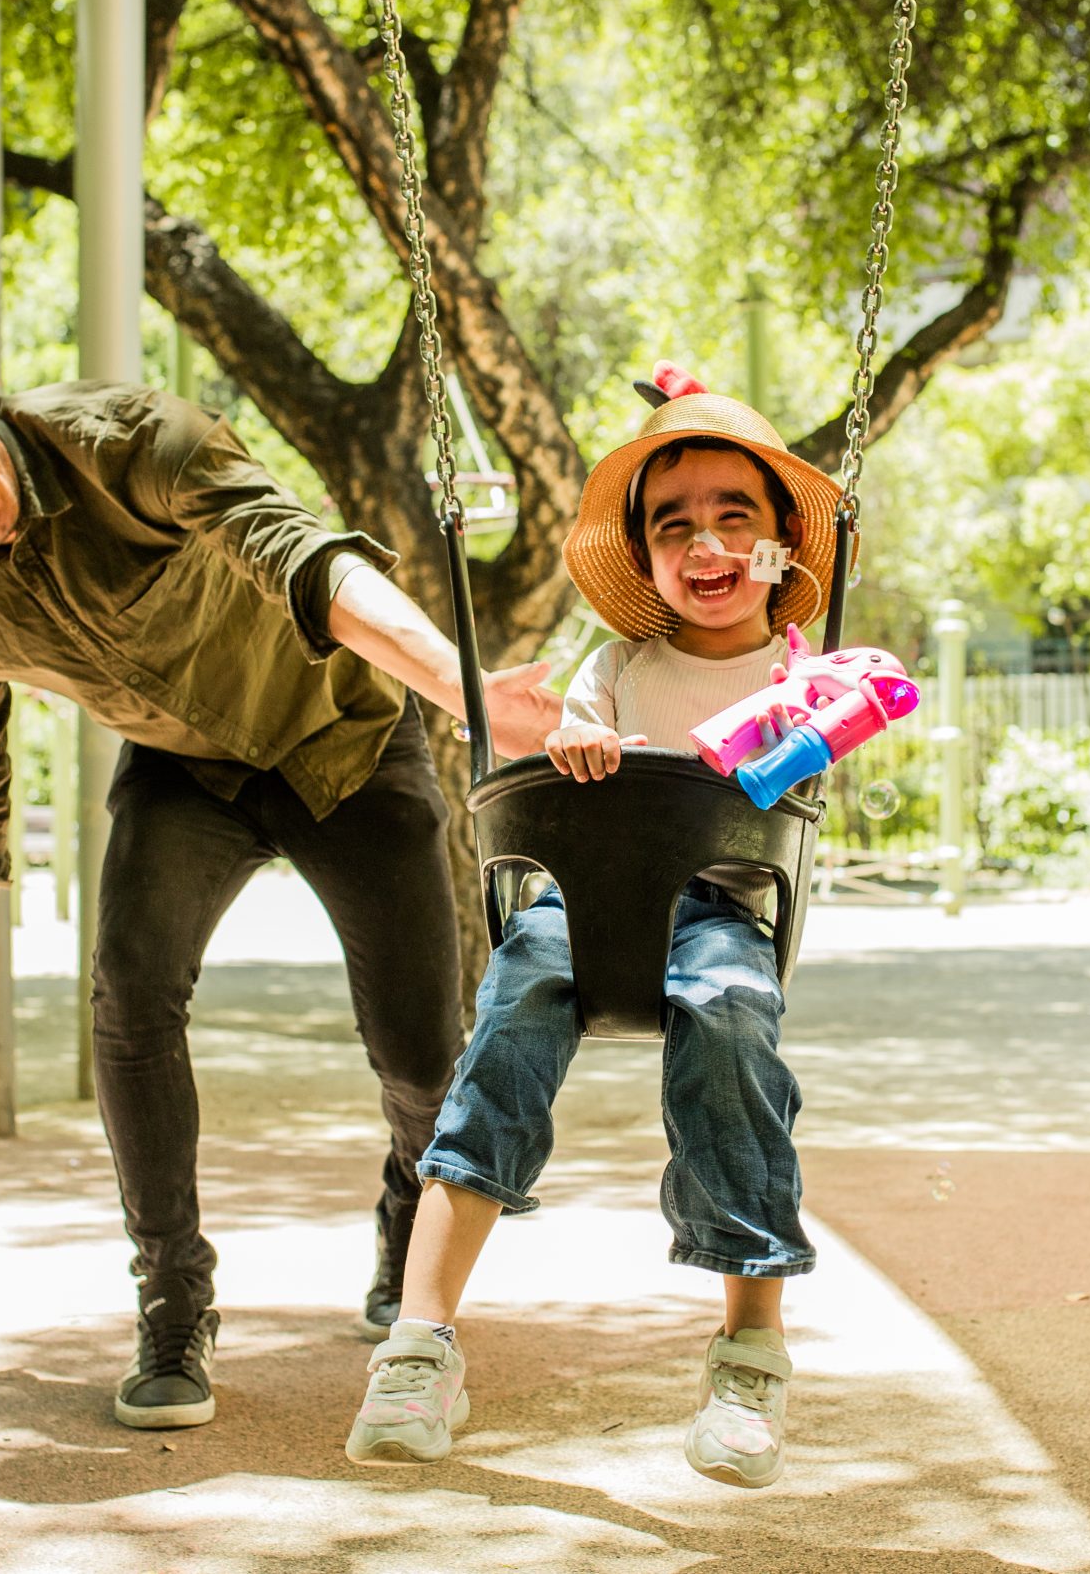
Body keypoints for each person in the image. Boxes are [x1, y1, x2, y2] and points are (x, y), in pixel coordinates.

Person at [0, 334, 561, 1431]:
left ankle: (409, 1215)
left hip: (345, 738)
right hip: (186, 775)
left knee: (420, 1056)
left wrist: (468, 690)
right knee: (128, 999)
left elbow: (300, 555)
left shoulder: (125, 438)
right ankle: (173, 1300)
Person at [342, 364, 833, 1488]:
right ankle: (418, 1348)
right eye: (673, 525)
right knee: (506, 1027)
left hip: (718, 913)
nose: (705, 544)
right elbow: (568, 742)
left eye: (734, 517)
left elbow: (817, 745)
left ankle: (749, 1360)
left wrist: (812, 716)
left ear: (779, 547)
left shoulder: (801, 672)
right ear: (647, 557)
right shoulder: (614, 668)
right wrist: (577, 742)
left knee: (730, 1022)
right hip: (581, 902)